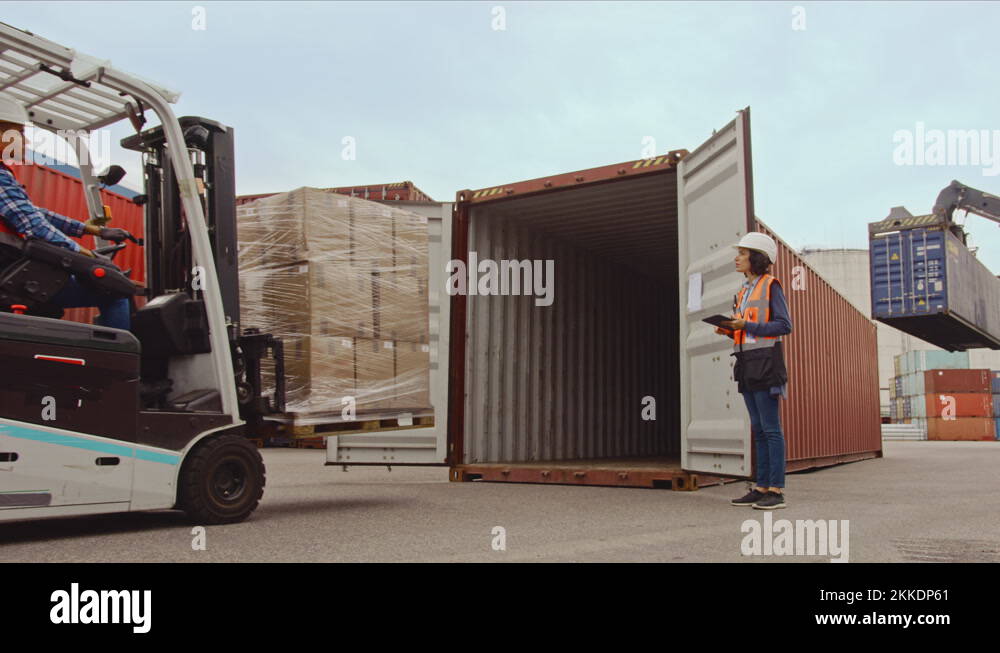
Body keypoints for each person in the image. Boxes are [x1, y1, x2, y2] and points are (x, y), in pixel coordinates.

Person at [0, 94, 134, 330]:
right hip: (10, 278)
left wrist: (91, 229)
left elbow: (34, 213)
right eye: (19, 133)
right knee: (115, 290)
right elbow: (35, 227)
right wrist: (89, 257)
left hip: (13, 273)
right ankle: (126, 363)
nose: (25, 142)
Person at [716, 232, 793, 510]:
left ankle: (776, 490)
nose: (737, 258)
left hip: (767, 362)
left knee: (771, 429)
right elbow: (745, 330)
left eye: (743, 254)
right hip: (746, 363)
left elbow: (784, 325)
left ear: (757, 258)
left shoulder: (771, 286)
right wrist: (728, 329)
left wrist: (745, 326)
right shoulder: (742, 292)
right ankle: (761, 486)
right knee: (758, 429)